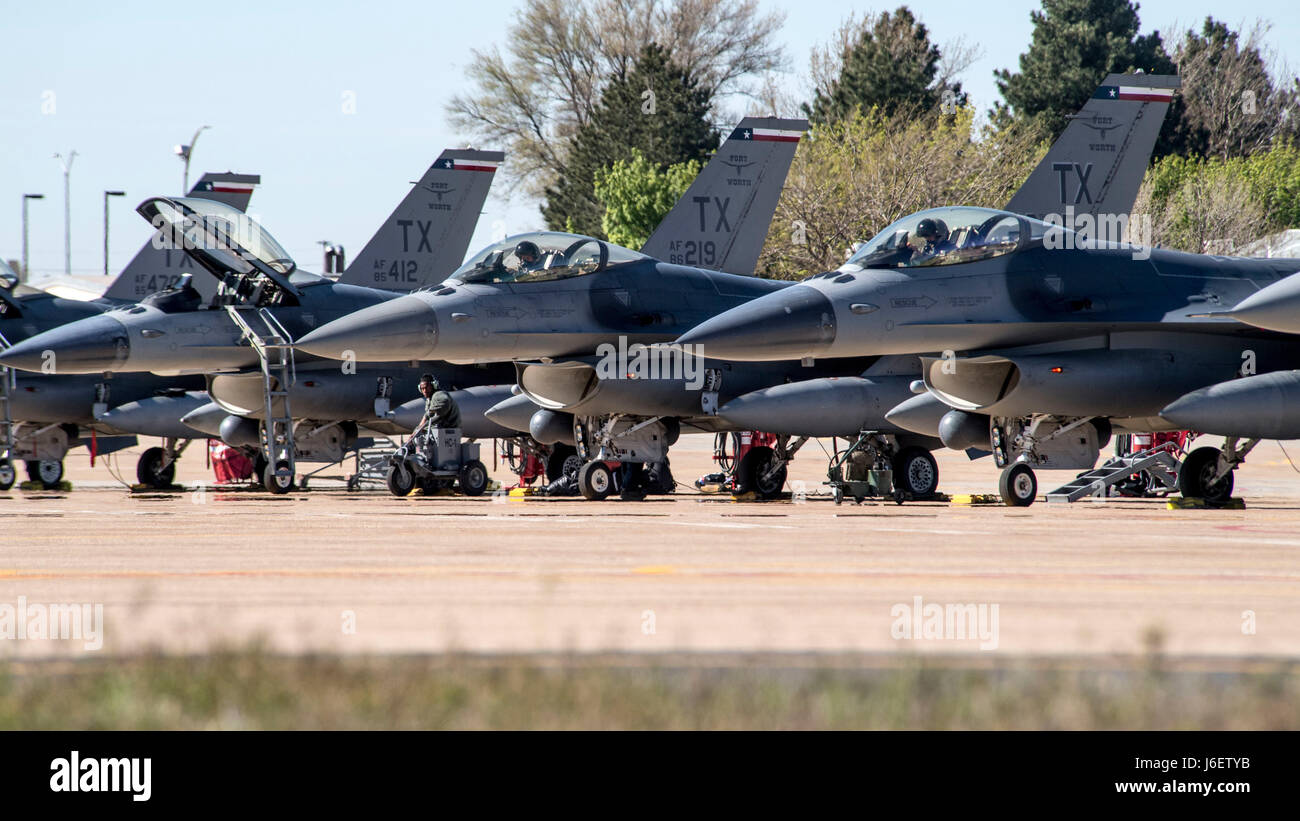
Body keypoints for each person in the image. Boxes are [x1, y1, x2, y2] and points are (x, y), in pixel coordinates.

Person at [411, 373, 461, 439]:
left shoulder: (438, 395)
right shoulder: (430, 398)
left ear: (433, 386)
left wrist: (427, 415)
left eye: (426, 387)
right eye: (422, 388)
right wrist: (416, 431)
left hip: (446, 433)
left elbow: (444, 401)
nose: (424, 391)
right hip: (441, 433)